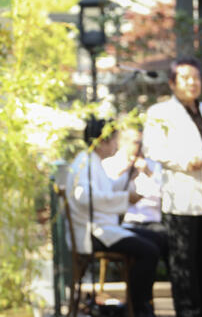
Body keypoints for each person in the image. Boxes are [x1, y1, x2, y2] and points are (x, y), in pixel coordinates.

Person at [143, 57, 202, 317]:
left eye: (196, 78)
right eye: (186, 78)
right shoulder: (159, 113)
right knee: (183, 264)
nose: (192, 83)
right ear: (173, 83)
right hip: (181, 200)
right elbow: (152, 148)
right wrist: (184, 161)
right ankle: (188, 313)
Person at [66, 118, 161, 317]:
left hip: (104, 227)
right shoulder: (85, 164)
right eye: (114, 140)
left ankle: (139, 304)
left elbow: (106, 189)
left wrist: (128, 179)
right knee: (148, 251)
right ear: (102, 141)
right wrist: (125, 197)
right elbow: (85, 198)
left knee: (159, 240)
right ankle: (137, 307)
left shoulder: (93, 162)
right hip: (93, 232)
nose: (117, 145)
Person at [101, 126, 168, 260]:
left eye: (142, 142)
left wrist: (149, 173)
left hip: (150, 220)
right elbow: (108, 193)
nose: (140, 147)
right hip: (124, 221)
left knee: (166, 239)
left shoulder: (153, 165)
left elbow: (163, 194)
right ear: (123, 143)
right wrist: (124, 173)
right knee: (145, 247)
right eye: (136, 142)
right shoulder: (110, 164)